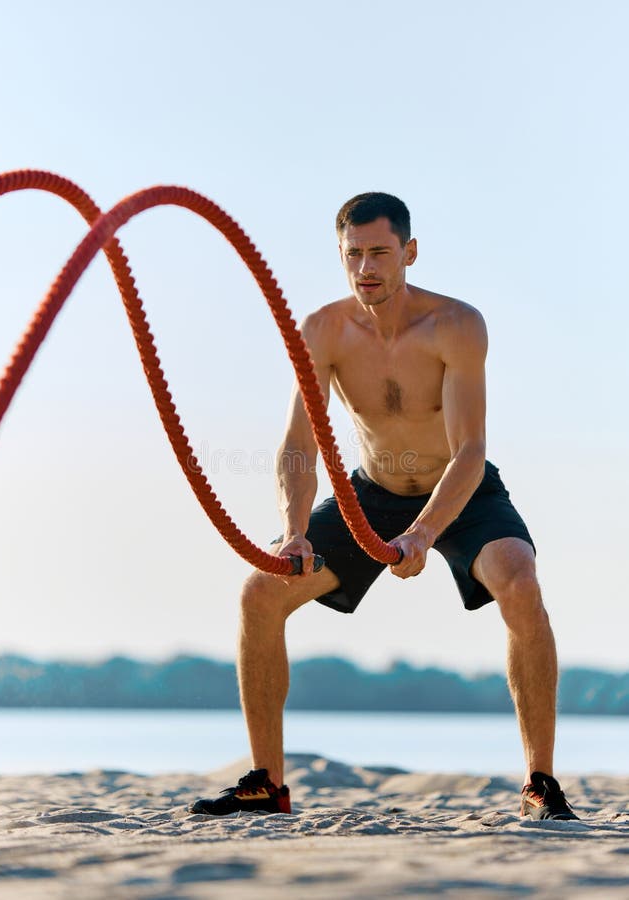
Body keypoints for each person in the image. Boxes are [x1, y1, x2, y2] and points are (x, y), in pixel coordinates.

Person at [189, 192, 577, 821]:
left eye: (379, 252)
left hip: (461, 490)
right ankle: (266, 783)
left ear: (409, 252)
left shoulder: (456, 324)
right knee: (259, 594)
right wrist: (294, 531)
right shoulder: (324, 330)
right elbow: (299, 443)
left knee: (518, 576)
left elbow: (471, 450)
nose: (365, 267)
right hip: (370, 493)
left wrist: (423, 533)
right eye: (353, 254)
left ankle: (540, 781)